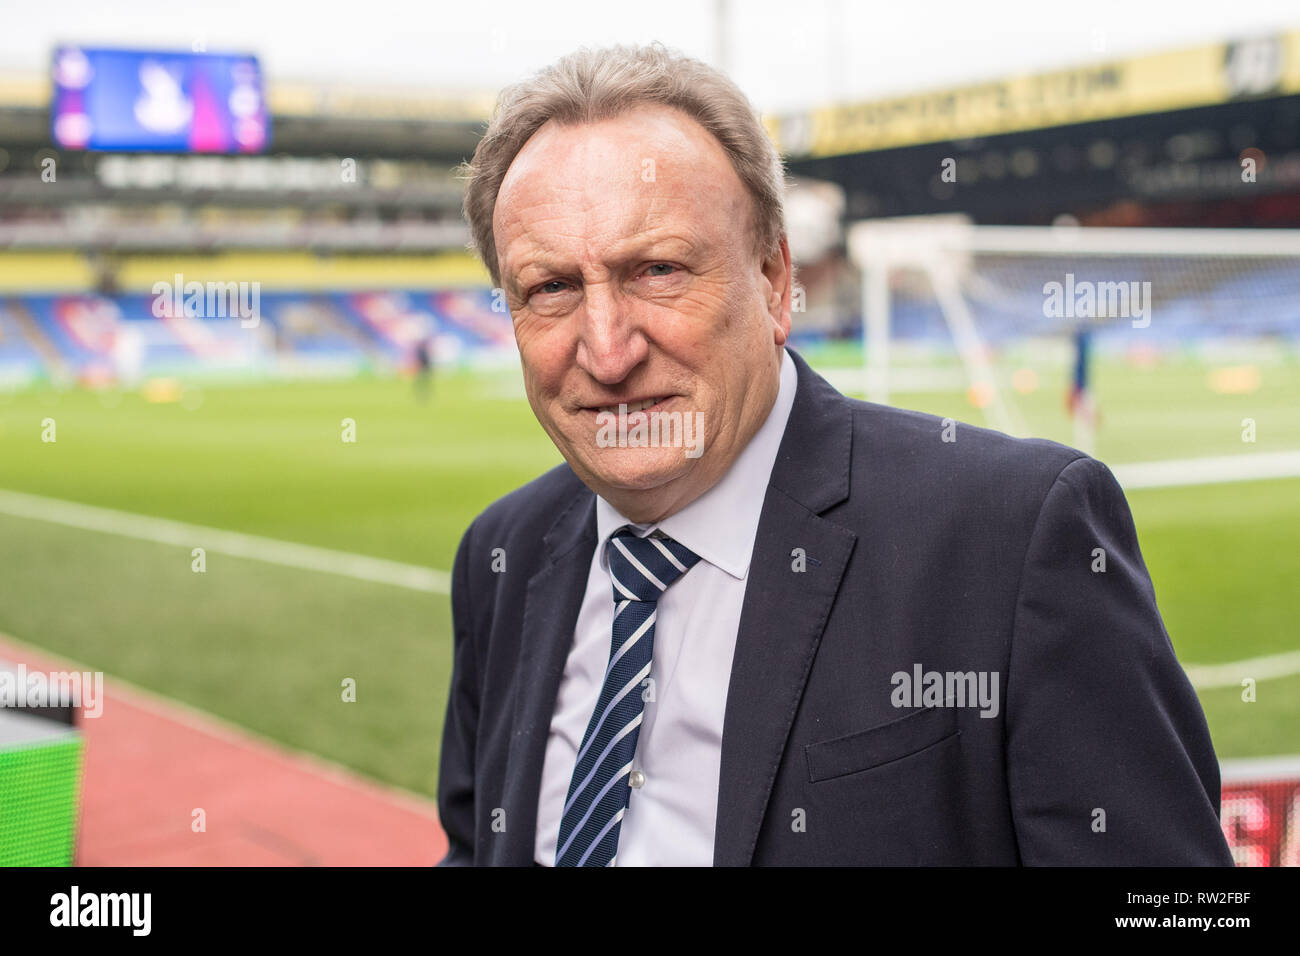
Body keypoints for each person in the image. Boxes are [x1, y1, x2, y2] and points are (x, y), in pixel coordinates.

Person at [436, 42, 1232, 866]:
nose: (606, 351)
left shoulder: (1013, 537)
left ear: (775, 282)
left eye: (659, 269)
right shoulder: (502, 554)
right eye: (552, 288)